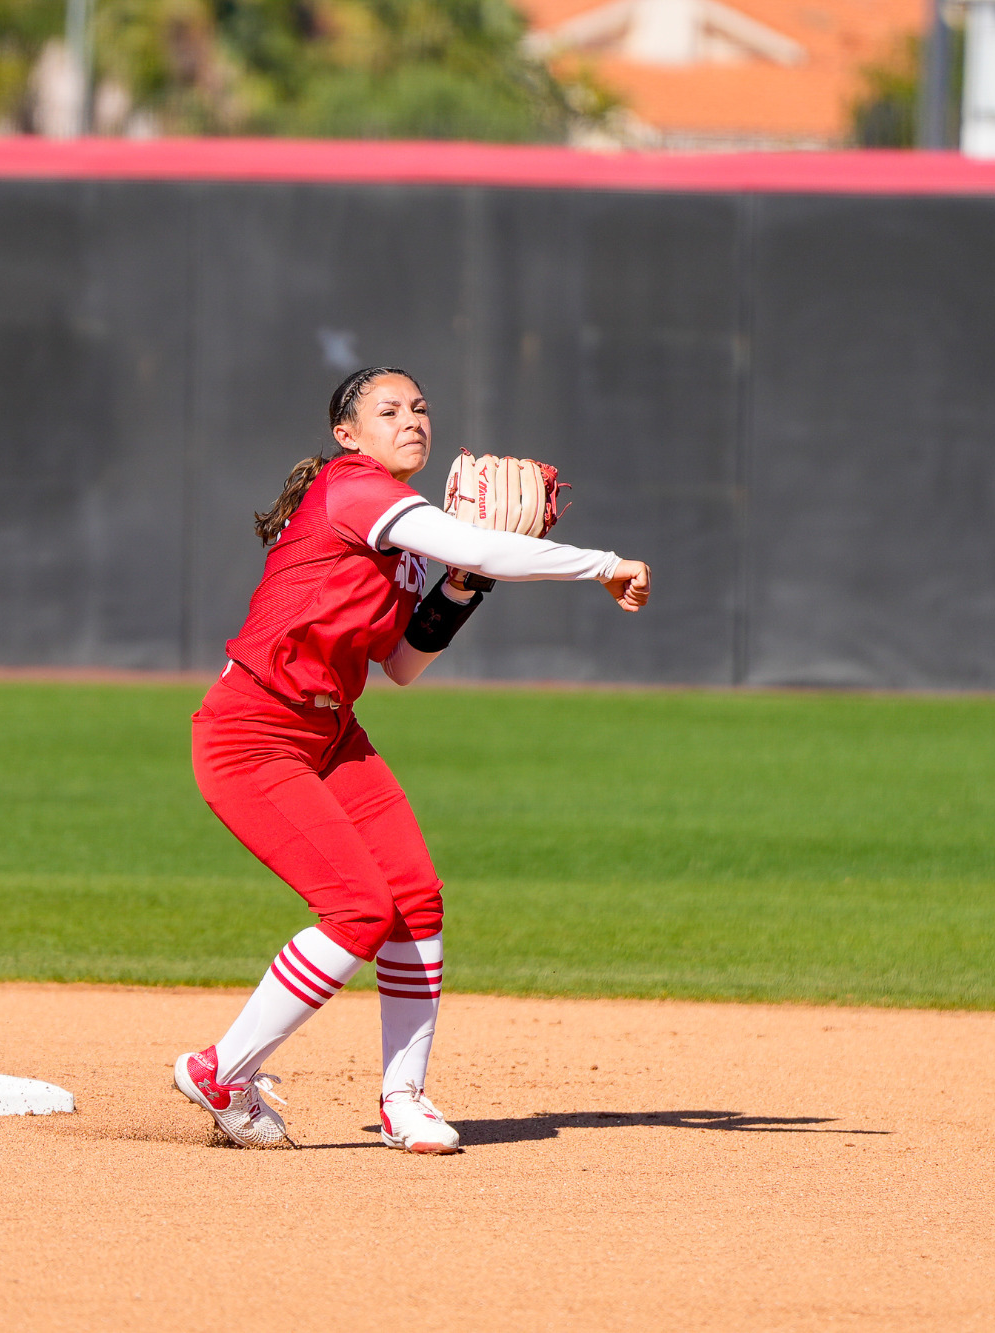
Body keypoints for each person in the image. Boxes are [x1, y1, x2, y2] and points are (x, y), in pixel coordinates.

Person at [175, 365, 651, 1151]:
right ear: (348, 435)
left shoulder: (402, 535)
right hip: (252, 730)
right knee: (359, 909)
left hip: (330, 733)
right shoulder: (353, 488)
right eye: (389, 409)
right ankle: (222, 1069)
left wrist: (466, 584)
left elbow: (401, 662)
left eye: (422, 408)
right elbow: (462, 538)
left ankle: (405, 1099)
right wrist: (600, 563)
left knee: (415, 897)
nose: (413, 420)